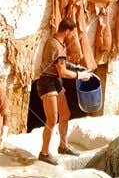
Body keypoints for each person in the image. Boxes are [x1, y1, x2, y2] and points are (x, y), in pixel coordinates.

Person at [35, 19, 87, 162]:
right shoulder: (57, 47)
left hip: (55, 81)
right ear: (67, 31)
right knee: (52, 119)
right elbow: (63, 72)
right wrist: (79, 75)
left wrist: (75, 67)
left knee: (65, 114)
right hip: (47, 82)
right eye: (73, 33)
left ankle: (63, 146)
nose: (73, 36)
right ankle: (44, 153)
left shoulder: (54, 41)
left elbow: (59, 62)